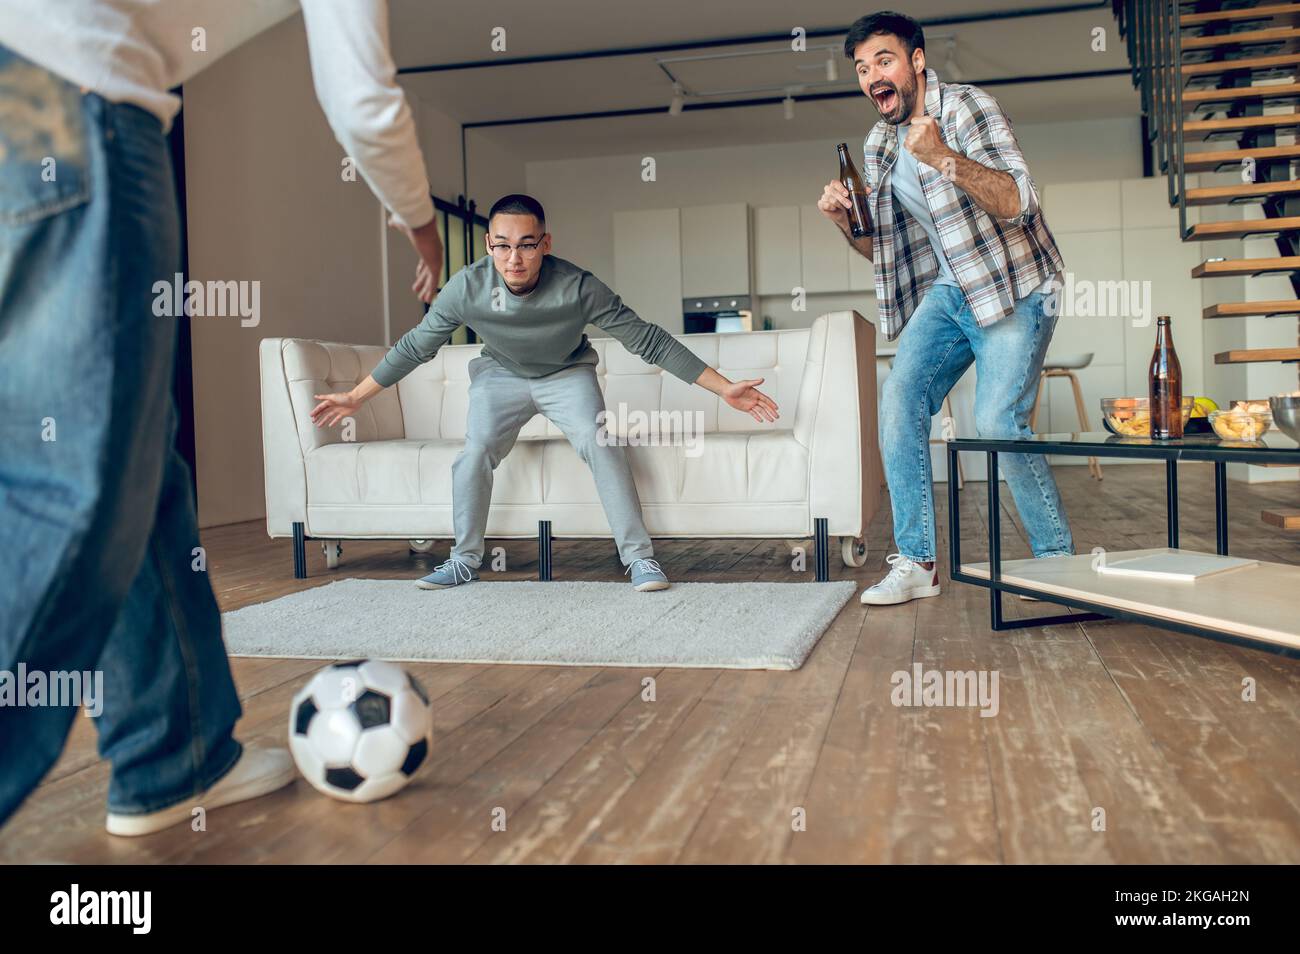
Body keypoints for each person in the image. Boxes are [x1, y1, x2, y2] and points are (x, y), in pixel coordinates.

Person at [0, 0, 444, 836]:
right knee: (77, 488)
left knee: (135, 466)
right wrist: (422, 228)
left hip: (29, 88)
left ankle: (177, 757)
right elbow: (361, 97)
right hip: (60, 101)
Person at [311, 194, 781, 591]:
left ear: (545, 244)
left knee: (603, 446)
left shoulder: (578, 287)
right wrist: (356, 397)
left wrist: (723, 388)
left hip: (567, 374)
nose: (514, 258)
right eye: (502, 246)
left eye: (526, 245)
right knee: (473, 453)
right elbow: (416, 346)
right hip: (500, 376)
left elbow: (648, 339)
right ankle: (464, 560)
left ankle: (639, 559)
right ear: (488, 245)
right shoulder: (465, 289)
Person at [818, 11, 1075, 607]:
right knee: (900, 399)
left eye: (883, 60)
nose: (871, 76)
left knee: (997, 423)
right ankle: (917, 561)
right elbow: (881, 250)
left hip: (1016, 287)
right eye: (861, 68)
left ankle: (1059, 565)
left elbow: (1019, 201)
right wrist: (842, 223)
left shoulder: (966, 109)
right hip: (952, 290)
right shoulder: (878, 143)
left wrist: (941, 157)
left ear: (916, 60)